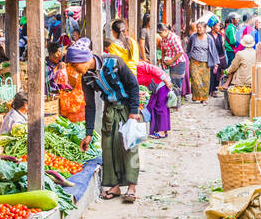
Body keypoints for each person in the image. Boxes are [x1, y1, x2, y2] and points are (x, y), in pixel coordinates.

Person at [67, 38, 143, 203]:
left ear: (83, 59)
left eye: (74, 65)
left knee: (129, 146)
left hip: (126, 108)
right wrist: (88, 134)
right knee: (108, 147)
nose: (73, 69)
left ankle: (131, 187)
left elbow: (133, 85)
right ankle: (114, 186)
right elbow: (90, 105)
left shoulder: (115, 62)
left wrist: (133, 111)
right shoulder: (86, 77)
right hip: (110, 110)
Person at [135, 60, 172, 139]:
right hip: (154, 87)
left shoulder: (139, 65)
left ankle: (162, 132)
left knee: (161, 108)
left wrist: (166, 81)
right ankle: (161, 130)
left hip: (162, 84)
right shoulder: (130, 71)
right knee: (152, 106)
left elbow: (154, 69)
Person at [186, 21, 218, 103]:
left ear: (205, 29)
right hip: (194, 62)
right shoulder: (193, 37)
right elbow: (189, 47)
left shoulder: (209, 38)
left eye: (200, 27)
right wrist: (188, 55)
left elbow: (213, 50)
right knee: (195, 80)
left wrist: (215, 63)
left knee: (204, 81)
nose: (198, 29)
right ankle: (196, 96)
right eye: (198, 27)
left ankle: (203, 99)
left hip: (205, 63)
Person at [157, 22, 186, 96]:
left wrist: (172, 61)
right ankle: (173, 104)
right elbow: (163, 50)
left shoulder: (173, 38)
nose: (160, 36)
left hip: (178, 63)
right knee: (171, 83)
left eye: (161, 34)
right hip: (170, 64)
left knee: (176, 85)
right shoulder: (163, 39)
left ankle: (177, 106)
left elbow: (180, 52)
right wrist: (163, 61)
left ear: (165, 30)